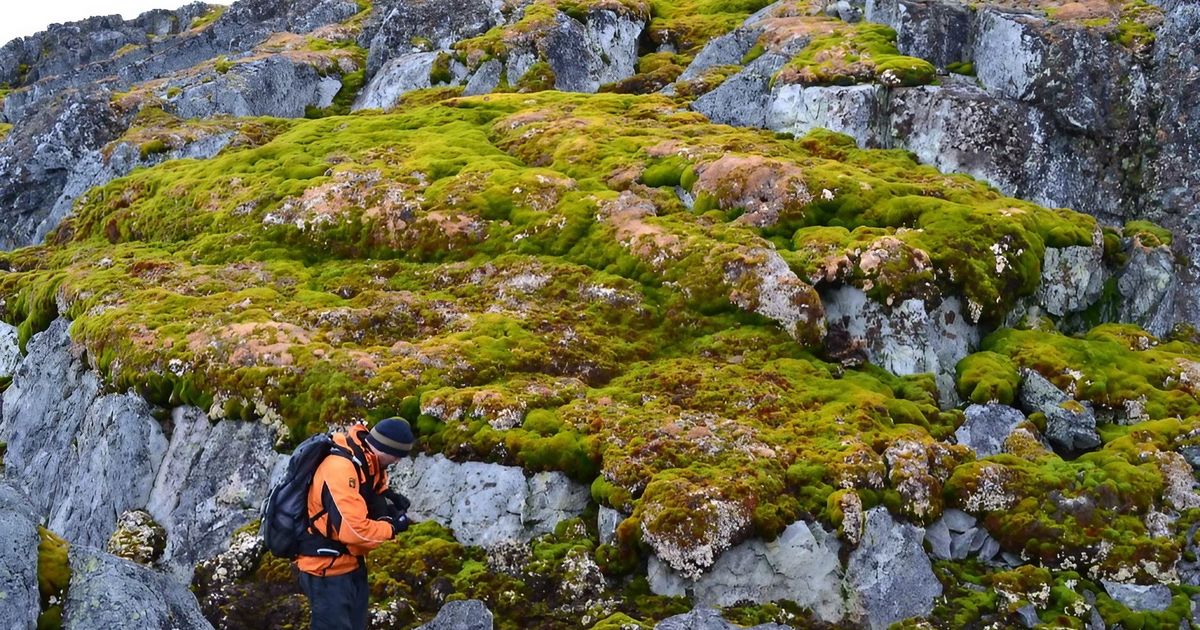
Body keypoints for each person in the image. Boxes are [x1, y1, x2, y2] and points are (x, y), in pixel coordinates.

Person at [296, 417, 415, 630]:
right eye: (397, 456)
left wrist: (389, 501)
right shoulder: (341, 468)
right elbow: (354, 531)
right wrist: (392, 528)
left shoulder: (366, 459)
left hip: (350, 563)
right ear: (385, 447)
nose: (397, 461)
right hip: (325, 569)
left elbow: (373, 489)